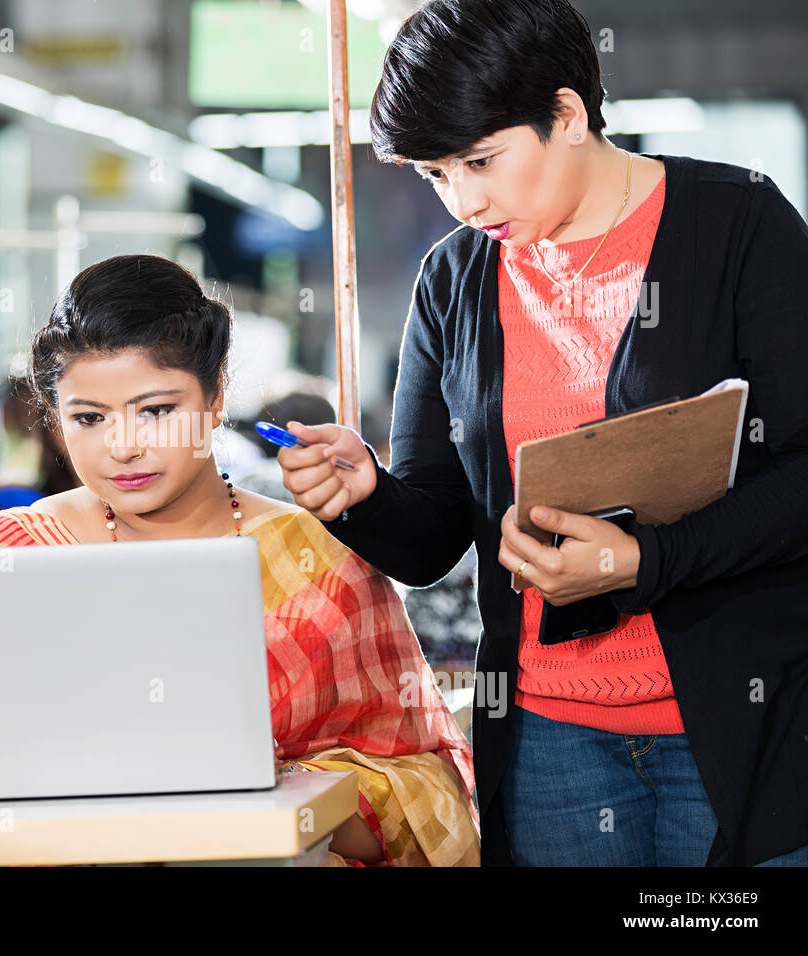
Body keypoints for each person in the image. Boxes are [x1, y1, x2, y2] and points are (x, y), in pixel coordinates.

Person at [279, 0, 808, 867]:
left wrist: (645, 563)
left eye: (481, 161)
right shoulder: (453, 279)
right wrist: (365, 493)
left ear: (566, 115)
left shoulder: (738, 226)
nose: (463, 200)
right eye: (435, 174)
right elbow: (435, 533)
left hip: (737, 723)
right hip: (552, 738)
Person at [0, 254, 479, 866]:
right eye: (89, 418)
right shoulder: (13, 549)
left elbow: (429, 798)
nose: (123, 446)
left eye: (157, 411)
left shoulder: (316, 561)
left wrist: (279, 788)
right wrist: (54, 740)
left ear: (215, 396)